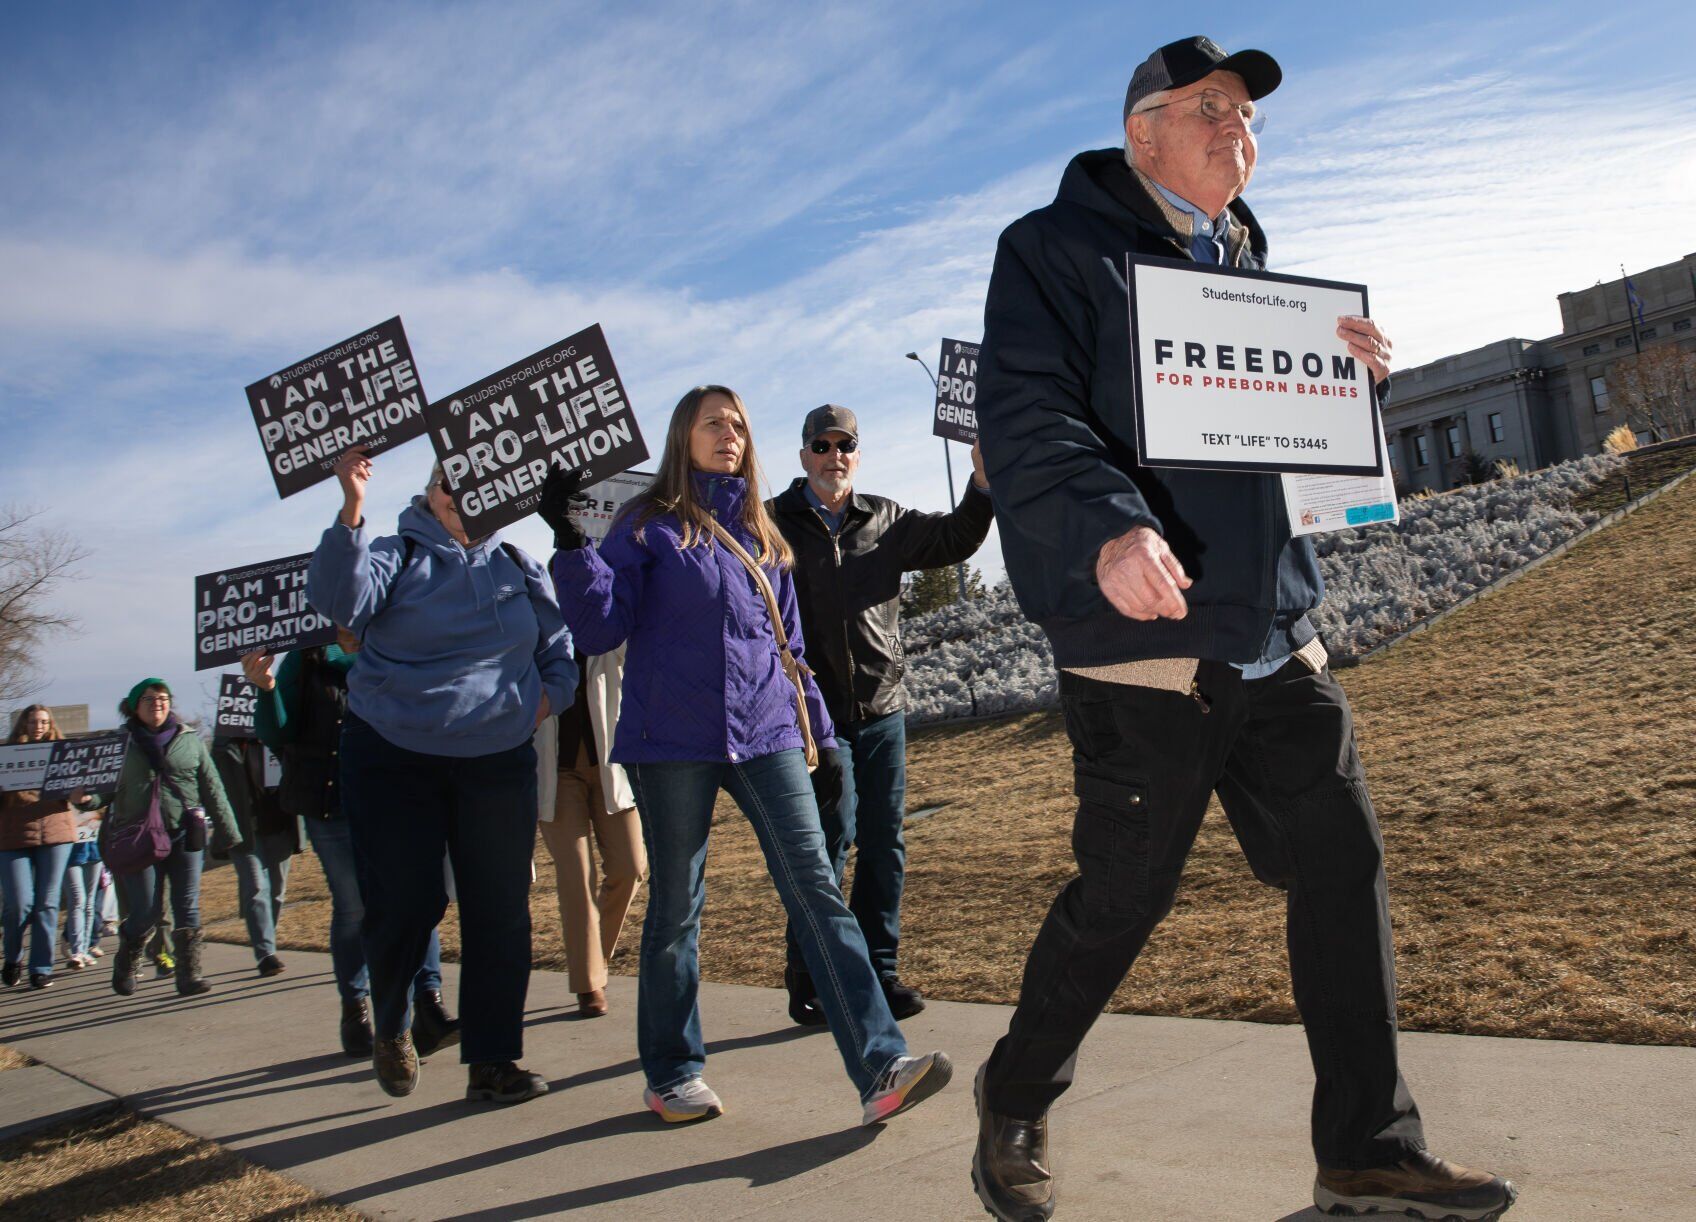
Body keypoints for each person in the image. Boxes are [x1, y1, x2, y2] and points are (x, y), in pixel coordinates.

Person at [969, 36, 1517, 1222]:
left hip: (1271, 633)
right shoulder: (1052, 251)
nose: (1237, 128)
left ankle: (1367, 1145)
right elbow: (1022, 417)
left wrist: (1347, 393)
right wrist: (1110, 526)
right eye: (1208, 107)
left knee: (1339, 870)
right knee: (1123, 896)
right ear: (1141, 133)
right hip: (1147, 645)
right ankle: (1013, 1095)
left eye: (1247, 115)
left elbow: (1266, 440)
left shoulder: (1250, 264)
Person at [544, 384, 952, 1128]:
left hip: (766, 733)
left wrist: (822, 738)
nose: (728, 433)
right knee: (676, 906)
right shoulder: (645, 528)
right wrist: (571, 547)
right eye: (712, 423)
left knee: (817, 889)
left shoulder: (765, 535)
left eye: (737, 424)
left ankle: (880, 1064)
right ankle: (671, 1074)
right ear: (682, 438)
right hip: (672, 742)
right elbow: (601, 628)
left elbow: (790, 649)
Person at [309, 447, 575, 1105]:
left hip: (496, 759)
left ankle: (492, 1061)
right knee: (404, 902)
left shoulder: (517, 563)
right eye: (446, 482)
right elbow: (340, 600)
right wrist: (351, 506)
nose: (459, 493)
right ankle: (394, 1021)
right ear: (430, 492)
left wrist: (543, 701)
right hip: (394, 755)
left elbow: (559, 649)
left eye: (474, 484)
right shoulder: (396, 552)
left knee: (498, 910)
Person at [767, 405, 994, 1024]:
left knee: (883, 842)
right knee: (827, 842)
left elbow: (956, 539)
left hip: (880, 708)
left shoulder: (885, 518)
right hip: (811, 716)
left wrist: (982, 482)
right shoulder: (771, 524)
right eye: (822, 444)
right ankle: (809, 974)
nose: (834, 455)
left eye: (846, 445)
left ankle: (880, 972)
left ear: (857, 455)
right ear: (804, 455)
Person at [246, 638, 459, 1059]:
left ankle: (428, 1004)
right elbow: (277, 734)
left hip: (397, 796)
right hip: (332, 803)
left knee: (415, 898)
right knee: (354, 908)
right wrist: (266, 690)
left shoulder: (396, 639)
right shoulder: (304, 657)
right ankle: (355, 1008)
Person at [105, 680, 242, 997]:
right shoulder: (118, 744)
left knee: (188, 907)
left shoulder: (189, 739)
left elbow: (213, 787)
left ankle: (189, 975)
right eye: (150, 698)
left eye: (163, 697)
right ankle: (128, 955)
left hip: (184, 834)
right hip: (138, 837)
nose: (158, 702)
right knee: (145, 912)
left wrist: (229, 831)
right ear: (134, 705)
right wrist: (84, 800)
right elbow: (101, 793)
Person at [532, 642, 647, 1018]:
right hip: (555, 769)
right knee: (576, 877)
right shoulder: (537, 616)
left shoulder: (604, 610)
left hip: (611, 762)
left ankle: (593, 958)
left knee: (630, 868)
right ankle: (589, 984)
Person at [1, 705, 92, 989]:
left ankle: (41, 967)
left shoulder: (65, 755)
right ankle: (13, 956)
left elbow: (82, 796)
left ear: (50, 724)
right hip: (13, 837)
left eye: (42, 721)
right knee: (18, 903)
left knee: (47, 903)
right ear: (23, 725)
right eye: (32, 721)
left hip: (55, 835)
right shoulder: (7, 755)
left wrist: (85, 797)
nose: (37, 726)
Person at [211, 733, 297, 977]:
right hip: (243, 829)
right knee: (256, 887)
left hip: (280, 822)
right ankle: (265, 953)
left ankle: (267, 937)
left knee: (278, 891)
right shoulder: (225, 745)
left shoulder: (279, 734)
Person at [60, 820, 104, 968]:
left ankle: (84, 950)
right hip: (69, 850)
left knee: (89, 902)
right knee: (78, 899)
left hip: (94, 849)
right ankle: (77, 952)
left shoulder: (94, 797)